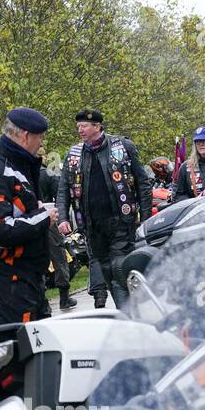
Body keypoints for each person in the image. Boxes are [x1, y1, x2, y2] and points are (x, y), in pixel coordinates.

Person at [0, 107, 55, 326]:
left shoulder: (16, 167)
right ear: (26, 135)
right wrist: (43, 216)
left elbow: (18, 212)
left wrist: (36, 209)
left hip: (26, 276)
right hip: (5, 280)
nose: (41, 145)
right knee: (16, 352)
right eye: (40, 139)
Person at [55, 108, 151, 309]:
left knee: (119, 266)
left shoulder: (123, 146)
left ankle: (127, 311)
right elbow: (63, 188)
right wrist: (63, 217)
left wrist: (146, 215)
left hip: (120, 220)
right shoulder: (73, 155)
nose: (80, 130)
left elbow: (143, 183)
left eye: (84, 126)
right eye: (78, 126)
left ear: (97, 126)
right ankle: (123, 308)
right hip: (91, 224)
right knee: (105, 268)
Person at [39, 161, 74, 310]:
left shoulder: (20, 174)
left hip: (29, 222)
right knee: (59, 256)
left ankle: (42, 301)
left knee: (36, 260)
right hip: (49, 220)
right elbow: (59, 196)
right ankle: (64, 297)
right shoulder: (47, 173)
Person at [172, 126, 205, 201]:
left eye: (204, 141)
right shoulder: (186, 167)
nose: (201, 144)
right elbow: (178, 196)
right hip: (196, 211)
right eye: (197, 141)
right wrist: (194, 203)